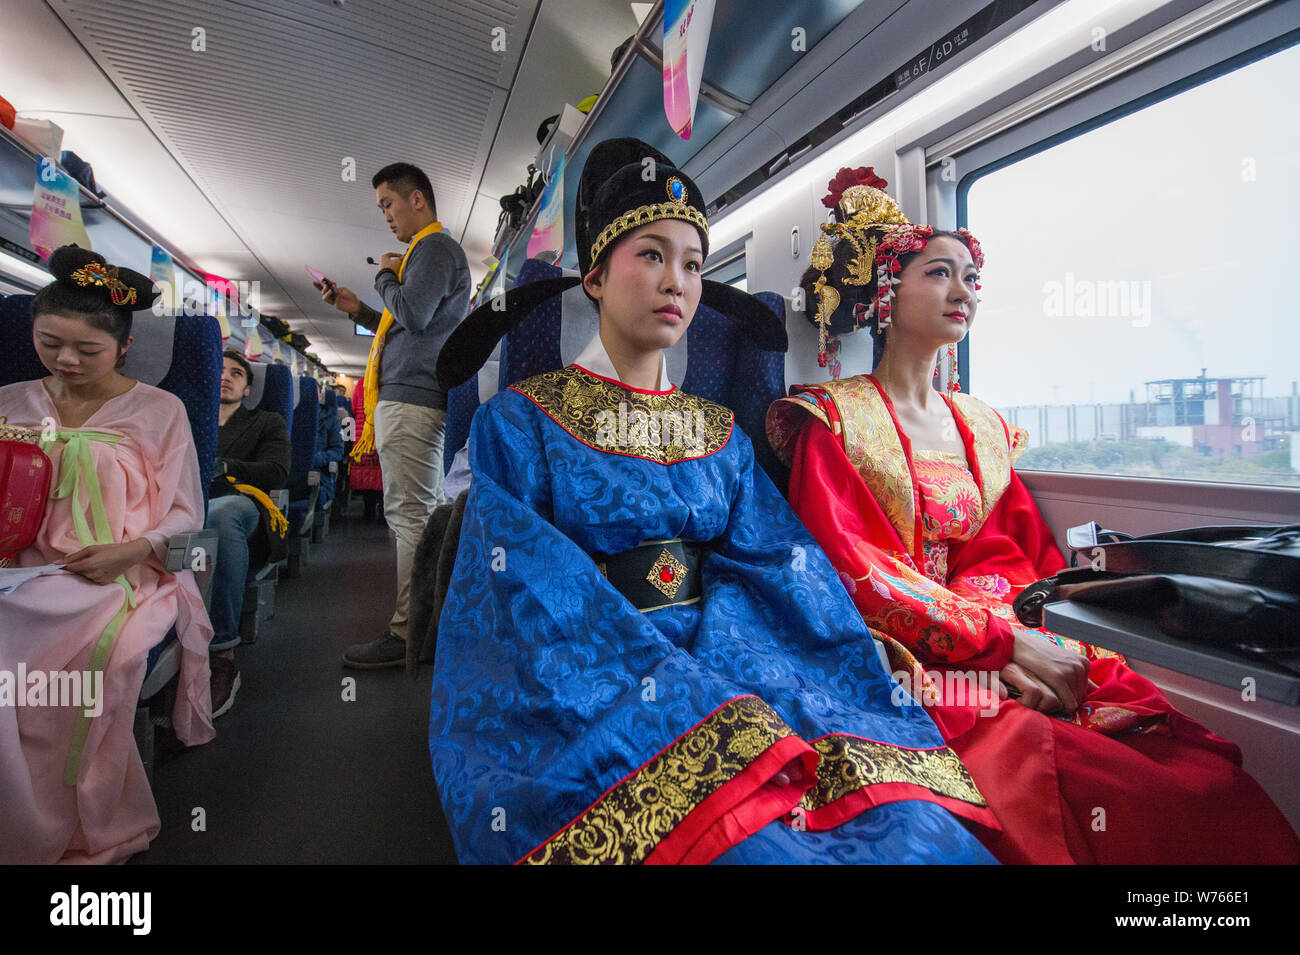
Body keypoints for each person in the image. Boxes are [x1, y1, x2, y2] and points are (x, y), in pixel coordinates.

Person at [427, 139, 1001, 865]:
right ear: (597, 277)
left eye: (694, 264)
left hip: (731, 661)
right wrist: (679, 691)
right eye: (652, 255)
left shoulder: (723, 434)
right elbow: (523, 594)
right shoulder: (518, 419)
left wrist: (771, 661)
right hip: (587, 688)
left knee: (920, 833)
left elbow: (774, 562)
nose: (678, 281)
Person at [766, 168, 1300, 864]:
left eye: (972, 278)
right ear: (887, 295)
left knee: (1196, 774)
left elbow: (1010, 555)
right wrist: (997, 644)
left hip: (1001, 628)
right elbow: (851, 567)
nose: (965, 292)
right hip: (899, 647)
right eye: (940, 274)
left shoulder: (982, 426)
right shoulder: (834, 419)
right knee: (1098, 782)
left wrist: (1036, 633)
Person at [0, 246, 214, 863]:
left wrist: (126, 552)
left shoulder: (160, 410)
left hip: (112, 573)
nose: (65, 361)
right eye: (48, 343)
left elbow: (184, 513)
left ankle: (50, 816)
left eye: (86, 351)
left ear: (122, 347)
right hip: (17, 567)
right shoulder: (11, 400)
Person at [323, 162, 471, 668]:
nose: (385, 215)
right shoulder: (429, 254)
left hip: (411, 400)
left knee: (410, 519)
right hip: (412, 397)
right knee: (420, 516)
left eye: (387, 203)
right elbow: (406, 326)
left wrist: (386, 273)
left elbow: (412, 313)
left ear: (417, 200)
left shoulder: (434, 248)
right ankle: (424, 629)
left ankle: (408, 633)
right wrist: (358, 310)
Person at [206, 350, 290, 716]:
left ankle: (222, 650)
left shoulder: (265, 422)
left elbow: (276, 472)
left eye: (236, 373)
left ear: (247, 389)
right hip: (176, 498)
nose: (226, 377)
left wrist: (224, 467)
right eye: (219, 370)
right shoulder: (184, 413)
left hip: (241, 503)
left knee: (219, 514)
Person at [313, 380, 344, 513]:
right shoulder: (287, 414)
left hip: (319, 471)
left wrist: (317, 459)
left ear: (321, 396)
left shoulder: (334, 417)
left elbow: (338, 449)